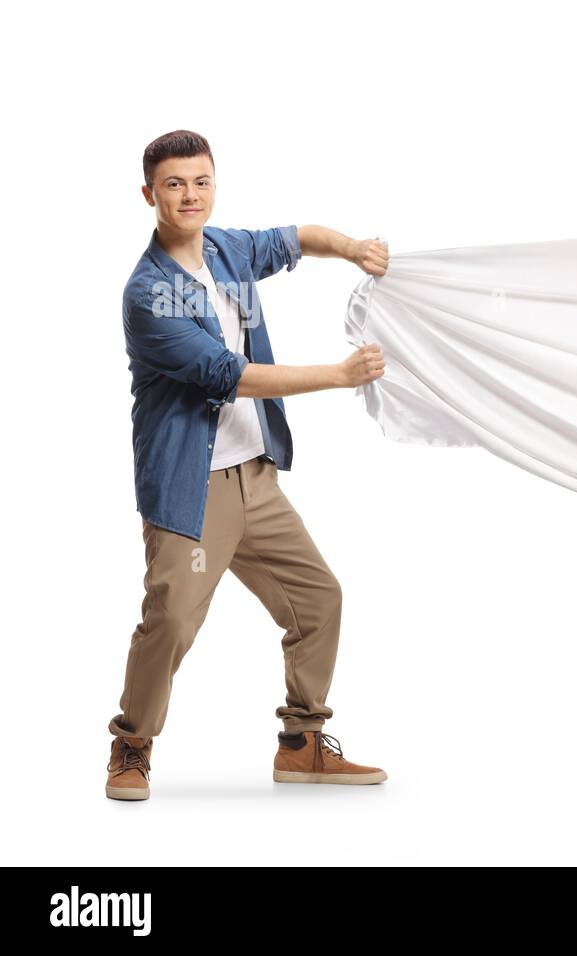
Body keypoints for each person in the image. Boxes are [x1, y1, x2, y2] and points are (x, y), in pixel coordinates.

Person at [106, 130, 390, 800]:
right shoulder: (148, 294)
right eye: (174, 184)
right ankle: (131, 743)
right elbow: (226, 375)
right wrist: (339, 374)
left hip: (254, 480)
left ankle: (301, 743)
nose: (189, 195)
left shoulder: (230, 248)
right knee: (172, 619)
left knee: (319, 597)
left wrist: (351, 249)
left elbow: (295, 238)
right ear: (150, 195)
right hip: (190, 489)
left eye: (200, 182)